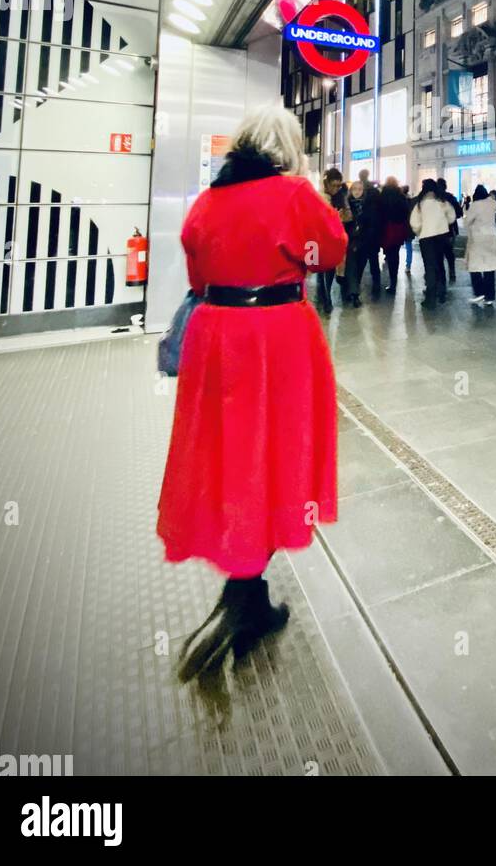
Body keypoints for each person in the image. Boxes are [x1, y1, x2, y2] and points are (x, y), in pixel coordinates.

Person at [157, 106, 347, 681]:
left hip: (216, 337)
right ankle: (243, 598)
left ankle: (247, 591)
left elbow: (196, 274)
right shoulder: (292, 195)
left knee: (227, 453)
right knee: (277, 451)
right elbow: (331, 251)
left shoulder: (208, 201)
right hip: (277, 337)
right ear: (287, 148)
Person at [410, 179, 456, 305]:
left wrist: (419, 231)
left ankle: (430, 298)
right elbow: (452, 217)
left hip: (426, 238)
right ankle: (442, 292)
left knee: (430, 267)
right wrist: (443, 223)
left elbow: (414, 223)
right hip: (441, 236)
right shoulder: (442, 202)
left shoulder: (420, 205)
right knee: (440, 264)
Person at [463, 184, 496, 306]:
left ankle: (479, 292)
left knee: (474, 267)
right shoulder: (493, 204)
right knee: (489, 269)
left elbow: (467, 222)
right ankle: (490, 296)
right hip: (492, 238)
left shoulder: (475, 205)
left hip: (478, 239)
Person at [317, 167, 348, 312]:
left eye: (338, 185)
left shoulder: (340, 197)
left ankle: (326, 299)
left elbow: (348, 216)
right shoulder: (319, 197)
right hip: (315, 241)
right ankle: (322, 299)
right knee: (317, 271)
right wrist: (335, 217)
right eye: (333, 185)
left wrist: (339, 217)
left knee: (328, 270)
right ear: (326, 183)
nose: (336, 188)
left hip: (330, 240)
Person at [346, 174, 382, 302]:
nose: (357, 192)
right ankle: (354, 294)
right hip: (350, 241)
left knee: (360, 266)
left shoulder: (368, 205)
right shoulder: (347, 204)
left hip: (365, 241)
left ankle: (354, 291)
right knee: (352, 266)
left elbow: (373, 223)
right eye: (354, 189)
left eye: (360, 189)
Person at [379, 178, 412, 291]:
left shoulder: (383, 195)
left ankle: (389, 281)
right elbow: (406, 212)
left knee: (389, 253)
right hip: (398, 228)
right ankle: (394, 282)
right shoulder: (400, 195)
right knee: (395, 254)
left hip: (385, 228)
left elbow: (379, 211)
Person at [437, 177, 462, 284]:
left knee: (438, 254)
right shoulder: (451, 197)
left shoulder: (435, 199)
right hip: (450, 230)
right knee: (449, 252)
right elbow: (459, 212)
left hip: (437, 230)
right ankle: (452, 271)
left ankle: (440, 276)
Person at [401, 186, 415, 272]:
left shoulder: (400, 201)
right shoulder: (412, 201)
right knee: (409, 246)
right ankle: (408, 265)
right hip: (410, 226)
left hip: (401, 226)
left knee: (397, 247)